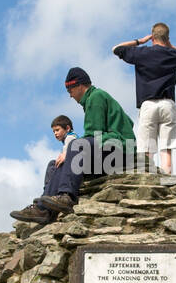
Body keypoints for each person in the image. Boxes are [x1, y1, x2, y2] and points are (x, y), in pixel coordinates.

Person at [10, 67, 135, 222]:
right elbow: (127, 122)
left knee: (76, 145)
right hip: (109, 152)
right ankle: (43, 209)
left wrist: (70, 151)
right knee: (53, 164)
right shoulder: (95, 99)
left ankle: (67, 197)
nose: (70, 95)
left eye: (70, 90)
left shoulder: (96, 97)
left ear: (79, 86)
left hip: (121, 153)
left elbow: (93, 135)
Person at [112, 22, 176, 174]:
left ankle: (148, 180)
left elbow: (117, 49)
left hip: (148, 105)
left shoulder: (142, 52)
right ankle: (167, 179)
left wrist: (140, 41)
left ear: (152, 37)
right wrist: (171, 47)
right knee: (166, 148)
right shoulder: (173, 54)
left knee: (146, 149)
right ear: (167, 37)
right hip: (168, 104)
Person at [11, 116, 79, 226]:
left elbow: (72, 149)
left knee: (54, 165)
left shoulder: (71, 138)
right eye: (53, 131)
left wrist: (65, 154)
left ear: (67, 128)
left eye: (57, 130)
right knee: (52, 164)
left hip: (74, 167)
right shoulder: (68, 139)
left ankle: (46, 194)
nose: (55, 134)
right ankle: (47, 190)